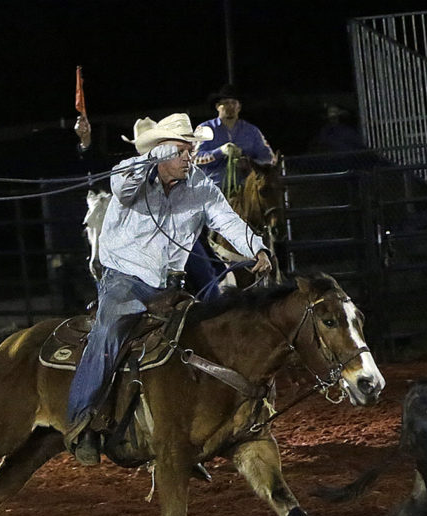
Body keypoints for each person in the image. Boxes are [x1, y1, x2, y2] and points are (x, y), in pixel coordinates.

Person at [64, 112, 273, 466]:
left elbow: (226, 219)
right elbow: (122, 187)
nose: (190, 157)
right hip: (123, 278)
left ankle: (187, 434)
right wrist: (153, 156)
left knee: (203, 338)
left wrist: (256, 246)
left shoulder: (200, 186)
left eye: (191, 149)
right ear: (160, 153)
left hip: (169, 285)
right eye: (182, 151)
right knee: (110, 329)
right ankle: (81, 421)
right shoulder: (132, 176)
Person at [195, 84, 276, 194]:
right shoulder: (204, 129)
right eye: (226, 103)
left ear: (239, 107)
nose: (231, 106)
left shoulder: (252, 131)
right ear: (218, 106)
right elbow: (194, 158)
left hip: (246, 189)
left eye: (234, 103)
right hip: (213, 190)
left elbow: (269, 158)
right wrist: (220, 152)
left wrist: (249, 163)